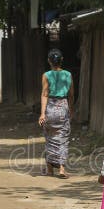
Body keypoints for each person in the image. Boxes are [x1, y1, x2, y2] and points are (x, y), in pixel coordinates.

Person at [39, 49, 74, 178]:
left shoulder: (46, 75)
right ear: (62, 60)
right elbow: (71, 95)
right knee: (63, 138)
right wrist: (71, 109)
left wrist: (42, 114)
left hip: (50, 108)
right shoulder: (68, 75)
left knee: (49, 138)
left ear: (49, 61)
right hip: (63, 107)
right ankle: (62, 169)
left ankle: (49, 169)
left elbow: (44, 94)